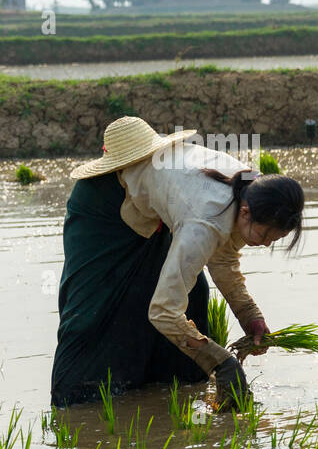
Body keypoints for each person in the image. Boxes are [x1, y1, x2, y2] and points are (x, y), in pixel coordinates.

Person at [51, 117, 304, 408]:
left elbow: (222, 256)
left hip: (153, 213)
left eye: (276, 237)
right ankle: (83, 406)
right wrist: (220, 363)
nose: (267, 243)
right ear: (246, 213)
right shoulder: (205, 220)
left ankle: (164, 393)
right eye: (266, 234)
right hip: (103, 209)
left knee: (195, 293)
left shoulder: (253, 190)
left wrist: (249, 315)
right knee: (96, 307)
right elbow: (163, 312)